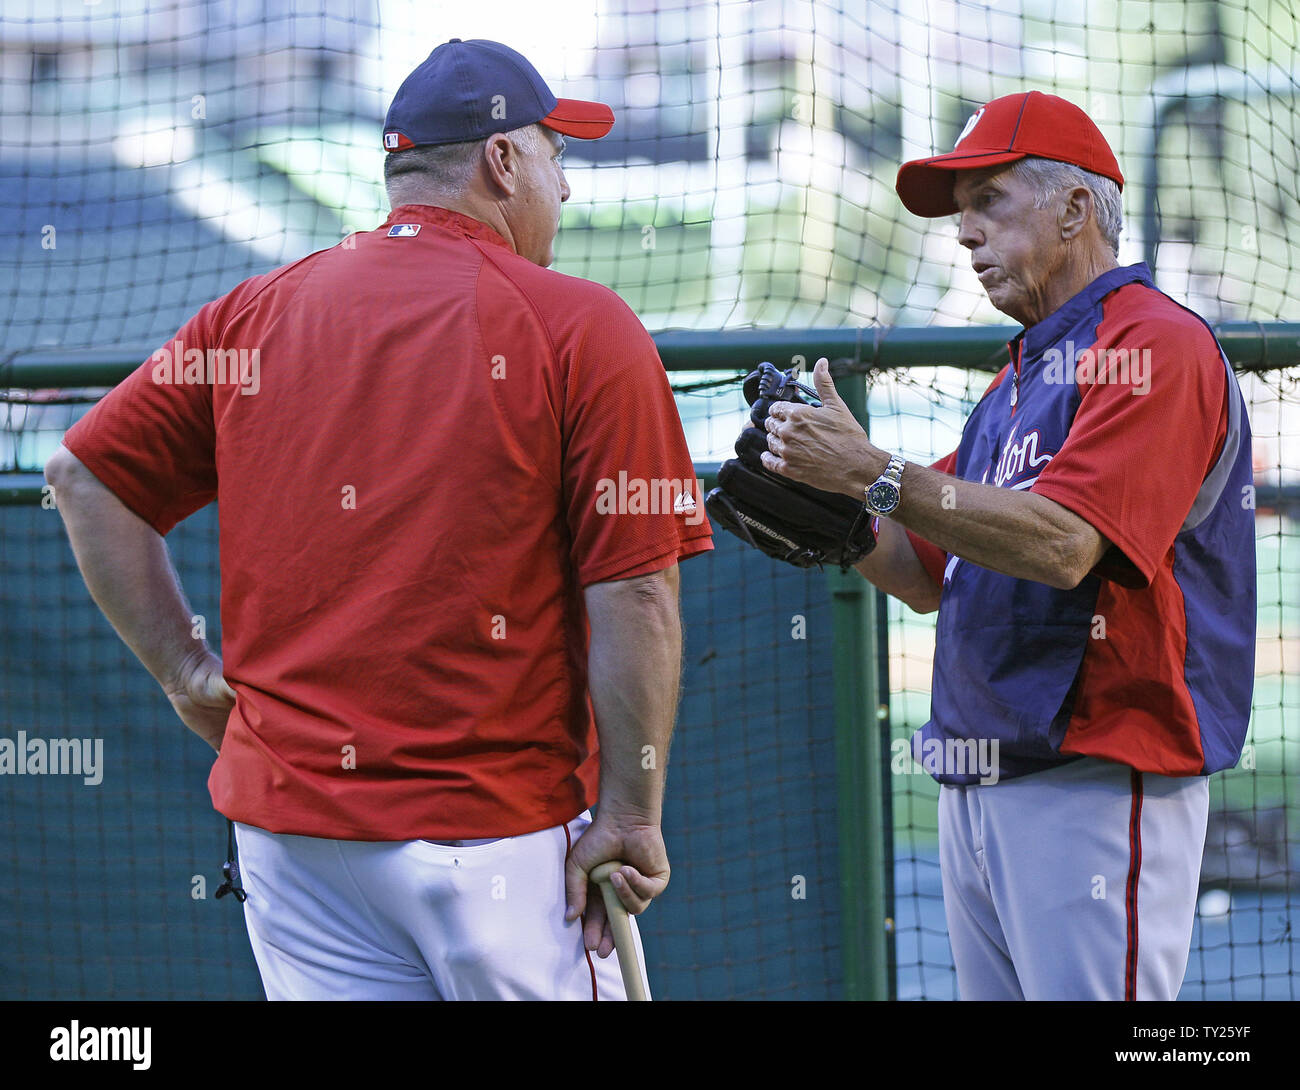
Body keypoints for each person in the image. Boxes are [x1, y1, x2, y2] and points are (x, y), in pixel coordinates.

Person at [45, 38, 712, 1001]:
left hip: (292, 844)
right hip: (497, 843)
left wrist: (189, 674)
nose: (563, 189)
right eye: (557, 156)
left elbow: (83, 477)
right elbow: (639, 591)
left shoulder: (251, 313)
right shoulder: (581, 325)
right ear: (503, 160)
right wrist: (634, 813)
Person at [759, 91, 1255, 1000]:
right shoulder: (1018, 379)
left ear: (1075, 208)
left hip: (1099, 782)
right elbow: (924, 572)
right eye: (962, 212)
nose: (964, 232)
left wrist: (869, 468)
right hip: (981, 779)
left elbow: (1068, 545)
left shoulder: (1154, 343)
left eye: (989, 200)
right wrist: (842, 515)